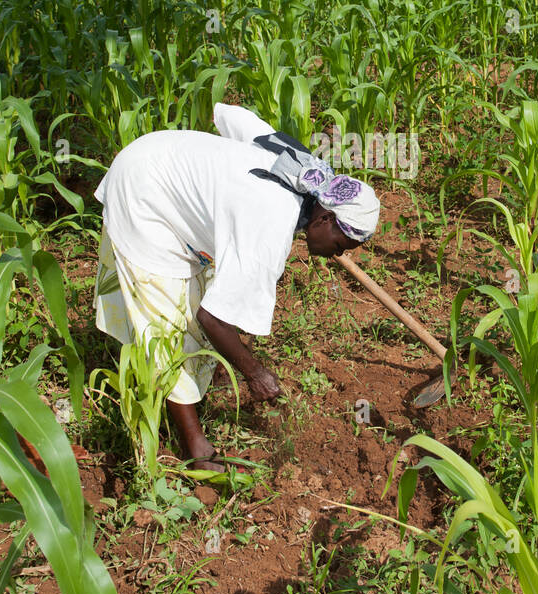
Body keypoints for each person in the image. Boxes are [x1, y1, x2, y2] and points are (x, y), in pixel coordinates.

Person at [92, 103, 380, 469]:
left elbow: (231, 116)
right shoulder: (270, 226)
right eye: (341, 246)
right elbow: (213, 318)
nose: (339, 256)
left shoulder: (306, 170)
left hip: (157, 156)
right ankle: (195, 451)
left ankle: (193, 388)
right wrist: (255, 373)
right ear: (324, 217)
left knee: (210, 283)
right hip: (145, 195)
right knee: (169, 328)